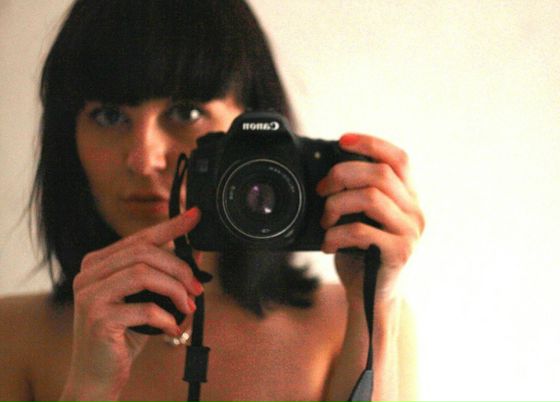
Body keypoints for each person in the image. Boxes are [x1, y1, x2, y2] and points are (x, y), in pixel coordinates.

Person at [0, 0, 424, 401]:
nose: (144, 160)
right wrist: (89, 388)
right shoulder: (13, 335)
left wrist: (373, 304)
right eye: (109, 116)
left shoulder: (351, 321)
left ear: (252, 126)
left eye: (186, 113)